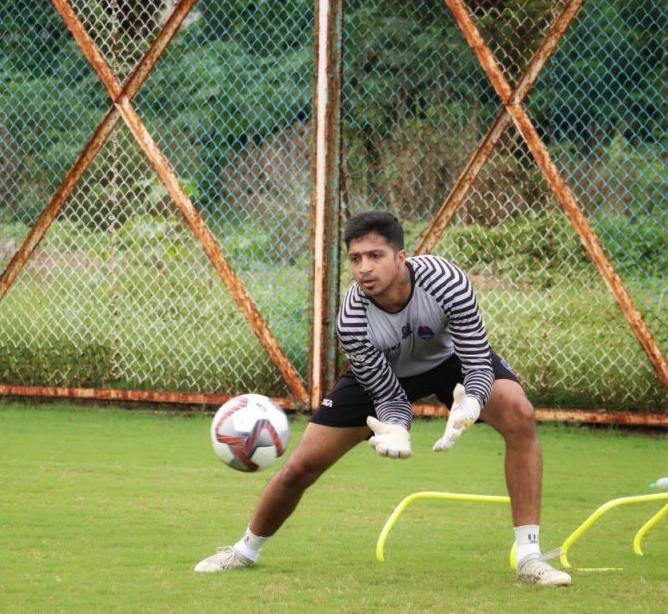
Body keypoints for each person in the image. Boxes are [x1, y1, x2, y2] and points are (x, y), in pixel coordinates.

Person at [194, 210, 571, 586]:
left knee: (520, 414)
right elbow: (389, 394)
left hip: (450, 361)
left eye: (375, 256)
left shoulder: (446, 280)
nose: (364, 268)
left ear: (400, 257)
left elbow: (476, 361)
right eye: (356, 258)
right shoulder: (352, 320)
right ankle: (244, 551)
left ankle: (529, 558)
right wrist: (397, 427)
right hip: (388, 374)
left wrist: (472, 402)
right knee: (301, 466)